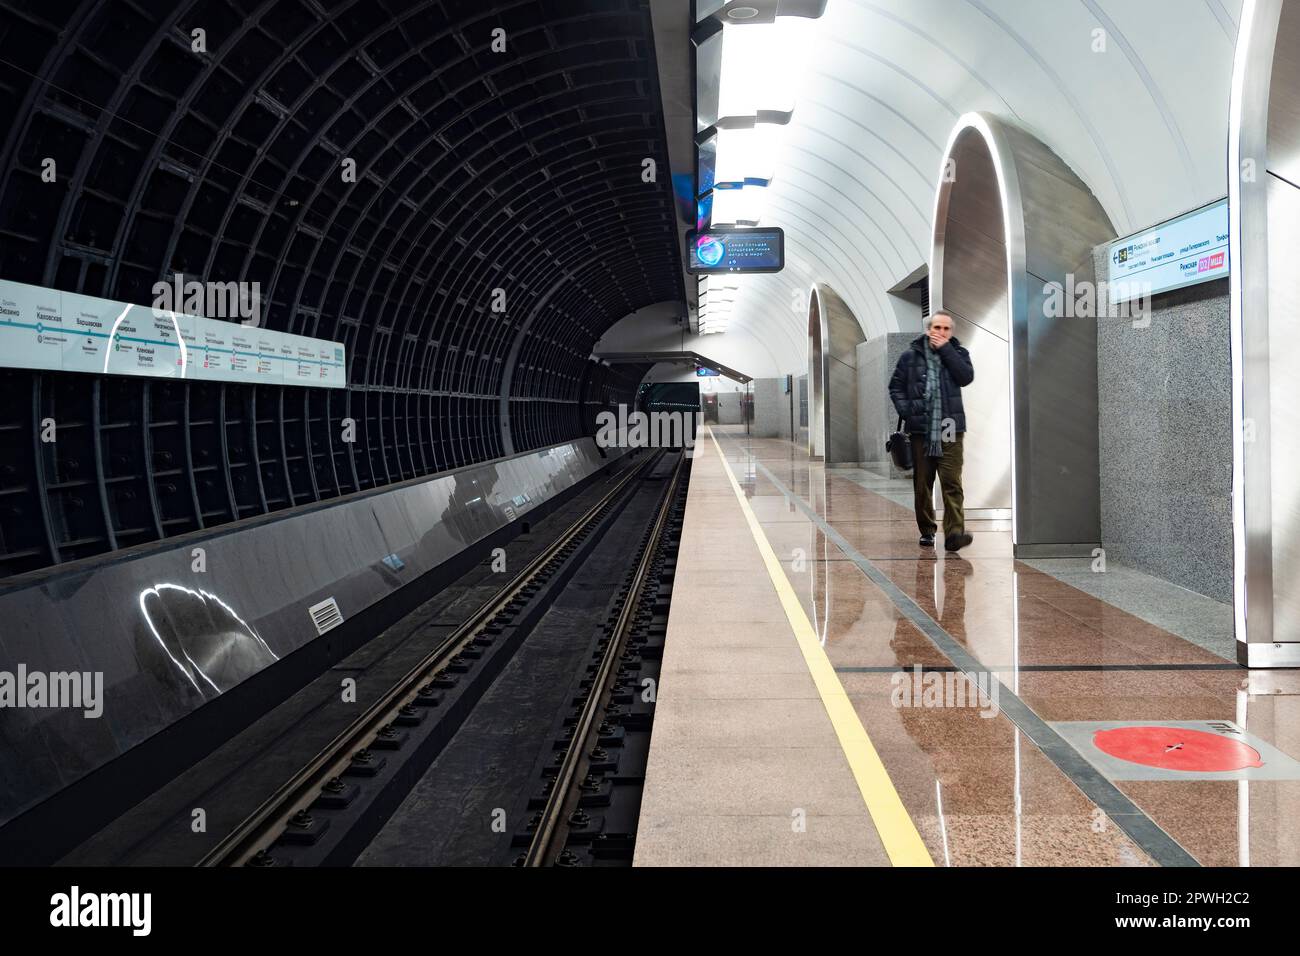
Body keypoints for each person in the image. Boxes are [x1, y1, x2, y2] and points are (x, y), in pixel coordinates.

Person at [888, 311, 975, 551]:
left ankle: (954, 533)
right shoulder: (909, 357)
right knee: (923, 483)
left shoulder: (958, 354)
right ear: (929, 329)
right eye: (937, 327)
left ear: (951, 332)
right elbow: (895, 386)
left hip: (950, 428)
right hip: (921, 430)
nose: (941, 332)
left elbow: (965, 377)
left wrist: (946, 350)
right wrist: (907, 411)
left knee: (951, 482)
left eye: (946, 329)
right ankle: (927, 530)